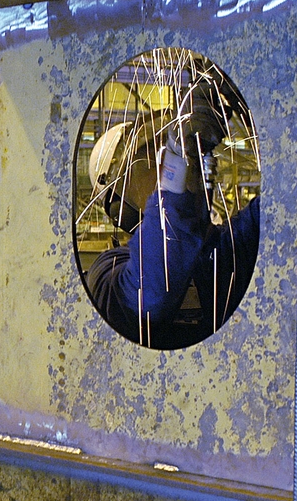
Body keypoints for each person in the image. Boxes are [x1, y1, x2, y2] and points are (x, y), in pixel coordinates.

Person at [84, 67, 260, 350]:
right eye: (153, 162)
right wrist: (177, 159)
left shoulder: (224, 250)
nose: (193, 167)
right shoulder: (106, 274)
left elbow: (287, 209)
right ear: (121, 206)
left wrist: (262, 123)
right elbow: (153, 292)